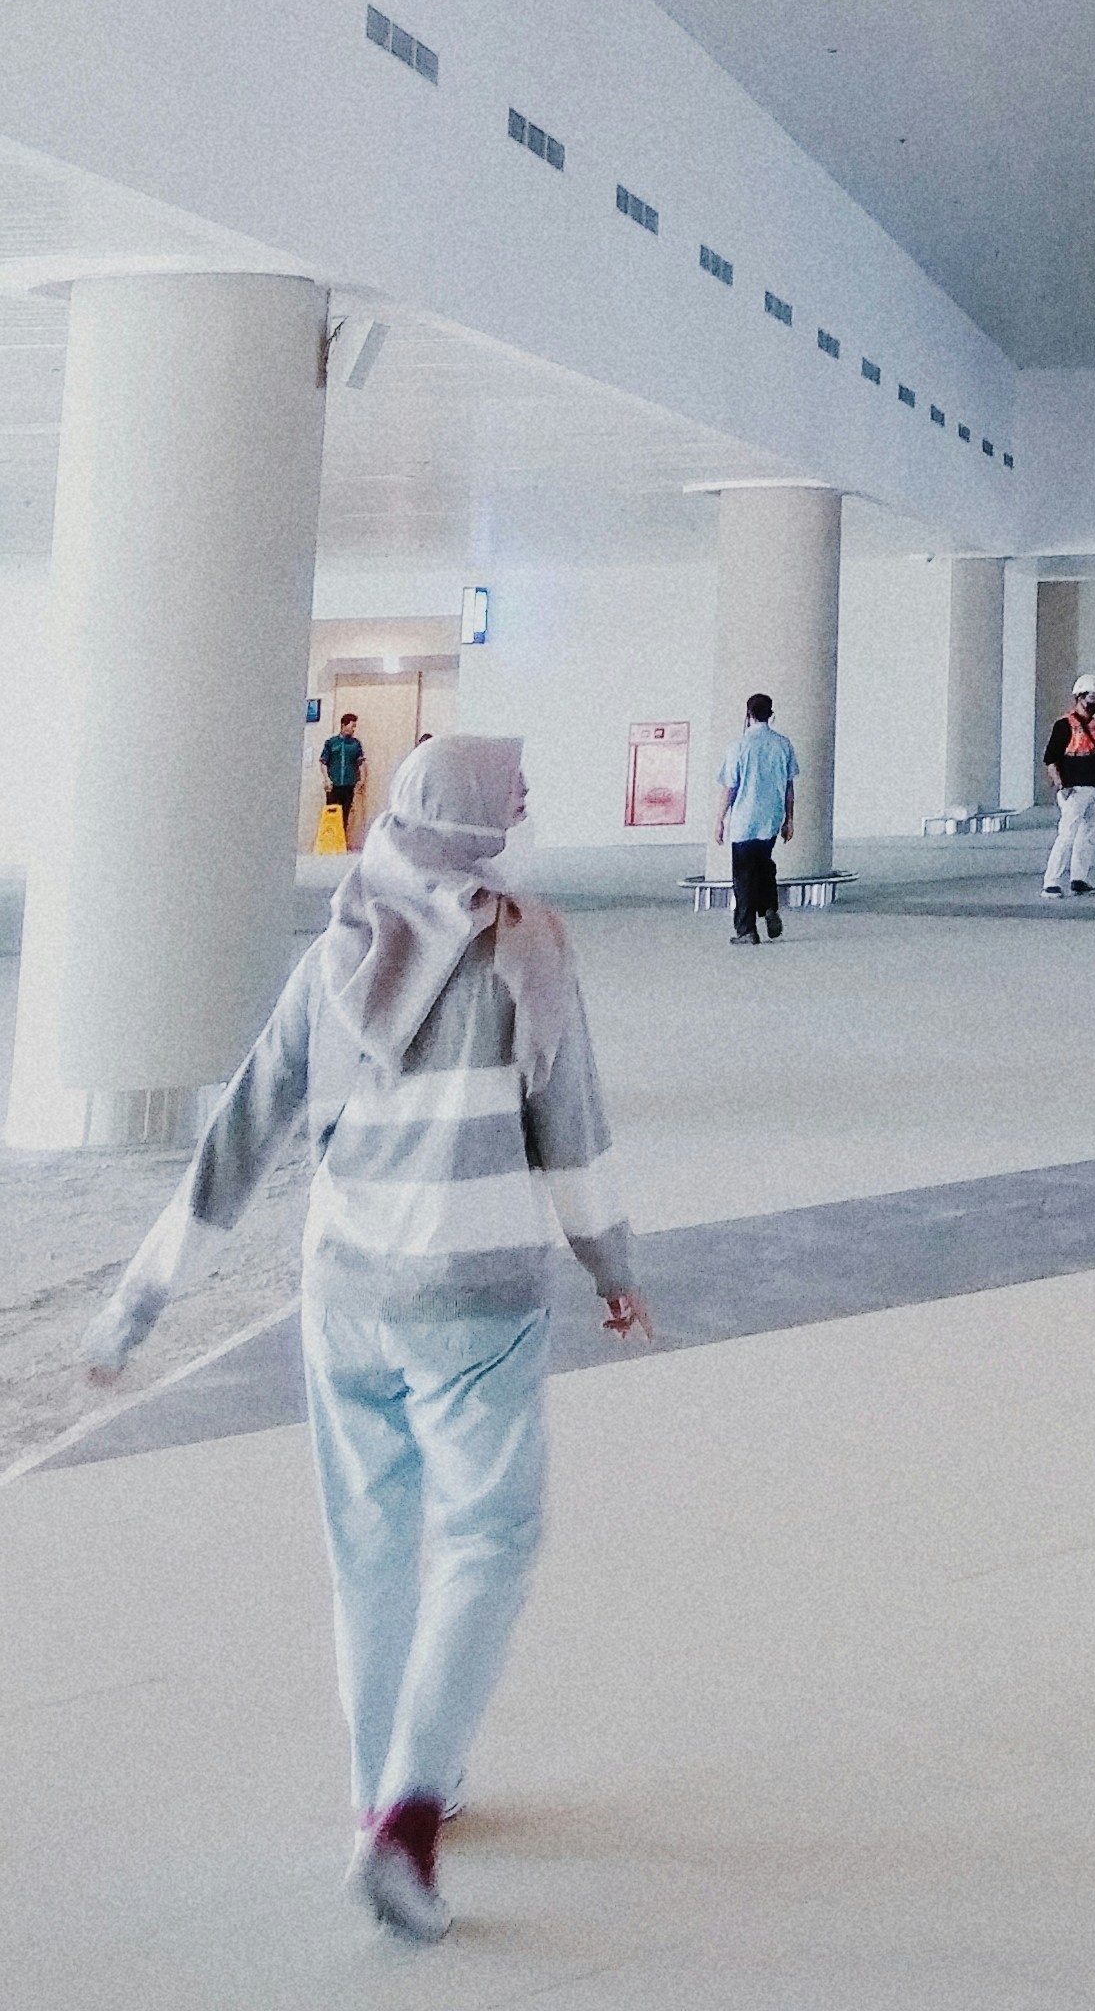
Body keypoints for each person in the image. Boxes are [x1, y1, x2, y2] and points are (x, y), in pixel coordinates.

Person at [82, 734, 651, 1945]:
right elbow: (574, 1124)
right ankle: (411, 1811)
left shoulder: (337, 950)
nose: (527, 819)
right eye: (519, 803)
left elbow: (236, 1140)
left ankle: (378, 1787)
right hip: (480, 1298)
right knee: (489, 1537)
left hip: (343, 1297)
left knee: (372, 1542)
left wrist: (141, 1297)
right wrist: (613, 1267)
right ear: (481, 823)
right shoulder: (526, 946)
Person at [714, 689, 798, 943]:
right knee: (764, 866)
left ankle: (746, 930)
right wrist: (789, 819)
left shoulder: (738, 746)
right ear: (771, 715)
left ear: (748, 714)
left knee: (743, 876)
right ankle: (770, 906)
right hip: (770, 818)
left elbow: (730, 787)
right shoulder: (783, 744)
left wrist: (720, 819)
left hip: (744, 821)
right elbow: (789, 786)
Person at [1041, 675, 1095, 896]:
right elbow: (1050, 758)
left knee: (1087, 835)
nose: (1094, 703)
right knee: (1067, 835)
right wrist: (1062, 785)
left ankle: (1079, 879)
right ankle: (1051, 882)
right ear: (1079, 697)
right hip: (1074, 789)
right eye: (1091, 697)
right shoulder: (1064, 725)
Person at [318, 707, 369, 848]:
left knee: (345, 815)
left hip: (348, 784)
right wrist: (327, 779)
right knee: (332, 814)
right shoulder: (330, 743)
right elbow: (323, 762)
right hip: (333, 785)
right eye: (352, 726)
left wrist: (362, 779)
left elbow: (360, 762)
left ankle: (341, 843)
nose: (354, 729)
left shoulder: (355, 744)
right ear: (343, 725)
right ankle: (329, 843)